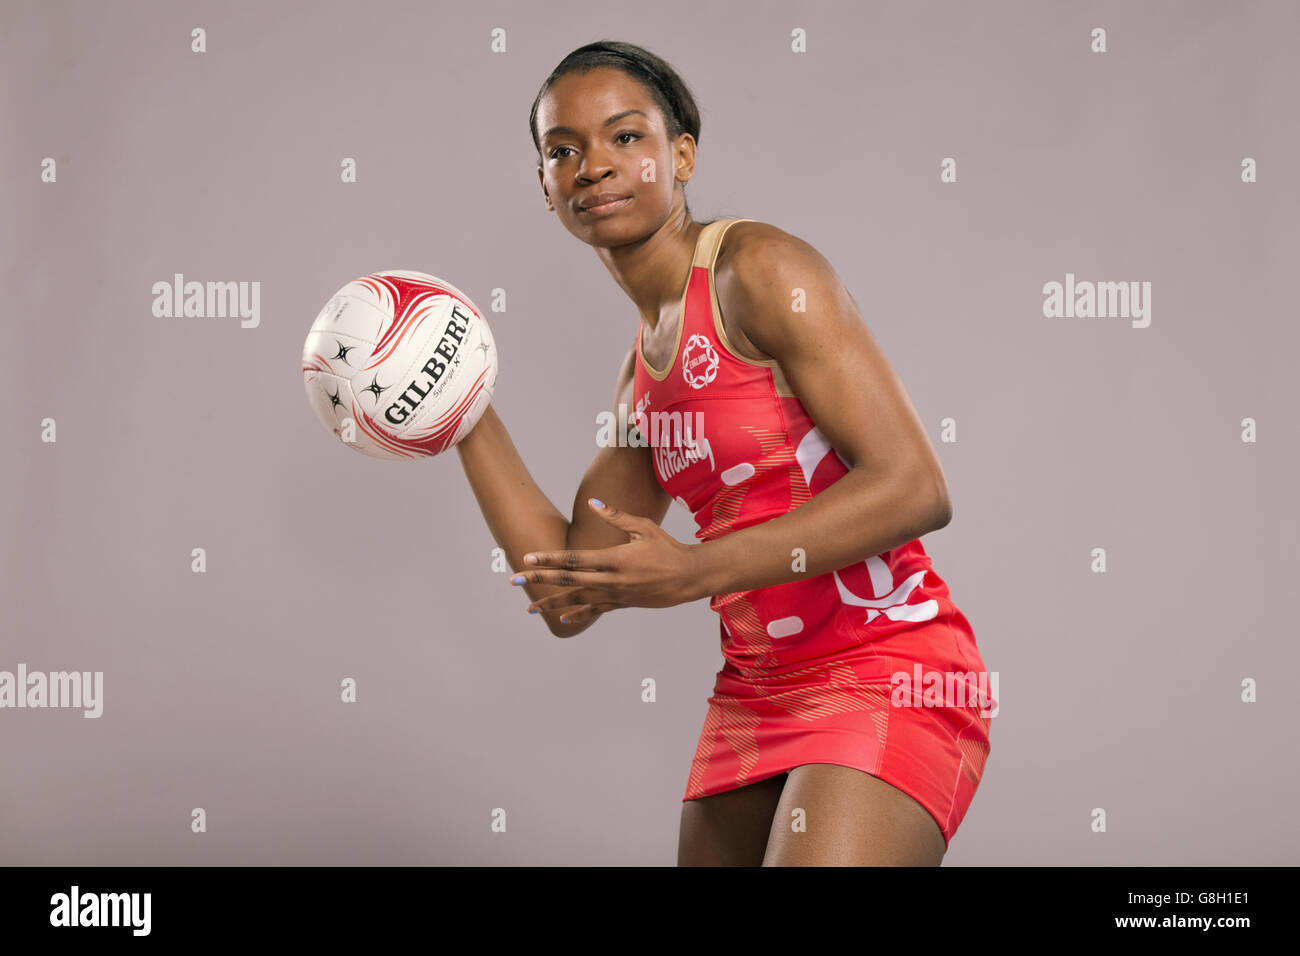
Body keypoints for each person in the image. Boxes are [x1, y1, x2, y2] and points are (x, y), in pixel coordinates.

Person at [455, 40, 993, 866]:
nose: (595, 165)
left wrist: (697, 572)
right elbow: (570, 592)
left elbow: (917, 487)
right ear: (546, 185)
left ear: (682, 155)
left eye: (625, 137)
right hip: (758, 692)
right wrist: (461, 410)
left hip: (891, 665)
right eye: (564, 150)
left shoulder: (760, 271)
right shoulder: (643, 376)